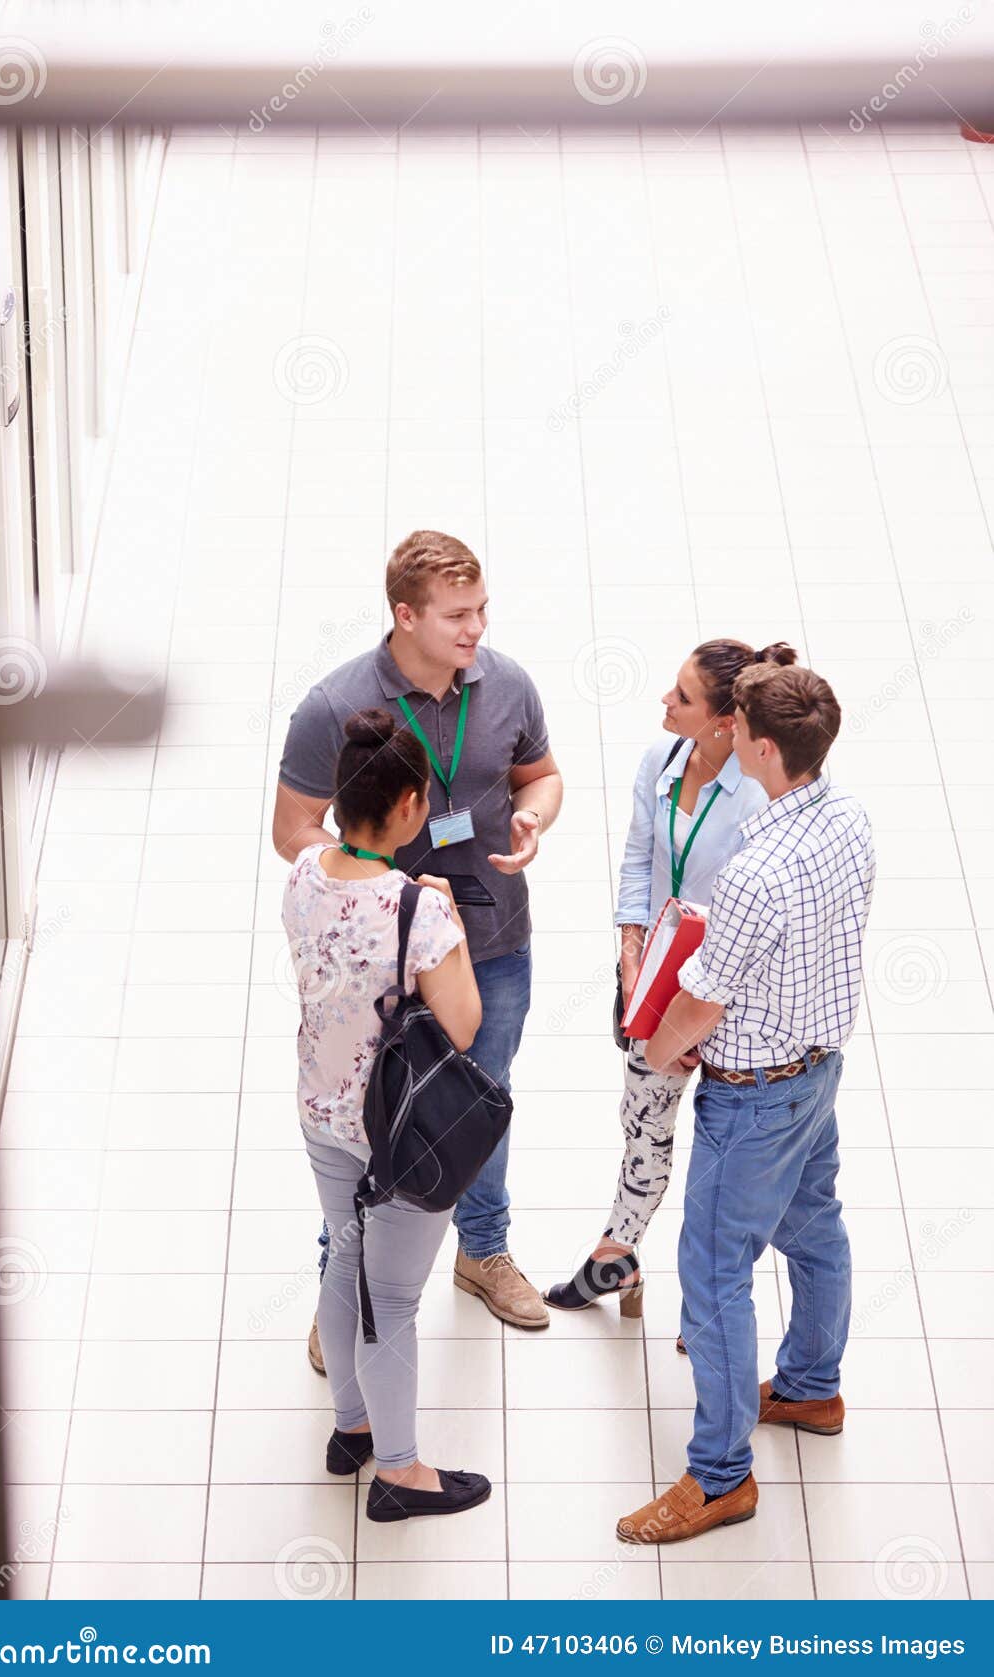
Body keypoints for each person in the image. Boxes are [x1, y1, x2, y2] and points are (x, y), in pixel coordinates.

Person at [273, 530, 563, 1354]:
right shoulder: (335, 707)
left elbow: (540, 774)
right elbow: (293, 828)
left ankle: (483, 1250)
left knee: (480, 1095)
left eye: (480, 611)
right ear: (404, 615)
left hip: (493, 938)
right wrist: (375, 884)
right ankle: (347, 1285)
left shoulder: (505, 685)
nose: (476, 630)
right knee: (374, 1113)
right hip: (381, 957)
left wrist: (533, 817)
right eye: (456, 615)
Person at [616, 661, 874, 1547]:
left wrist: (651, 1045)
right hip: (819, 1071)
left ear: (760, 747)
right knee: (814, 1228)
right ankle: (810, 1386)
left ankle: (720, 1476)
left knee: (713, 1278)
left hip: (751, 1095)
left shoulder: (755, 869)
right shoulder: (849, 817)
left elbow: (702, 999)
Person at [543, 640, 796, 1318]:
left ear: (724, 722)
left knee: (724, 1162)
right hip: (651, 980)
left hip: (723, 998)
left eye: (680, 696)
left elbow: (752, 928)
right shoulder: (658, 762)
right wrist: (631, 963)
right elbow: (635, 859)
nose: (663, 700)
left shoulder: (754, 800)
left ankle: (714, 1312)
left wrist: (693, 1018)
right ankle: (615, 1256)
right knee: (643, 1122)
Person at [283, 706, 494, 1520]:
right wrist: (449, 919)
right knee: (394, 1298)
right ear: (408, 805)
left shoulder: (302, 872)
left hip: (320, 1110)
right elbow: (464, 1023)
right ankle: (400, 1474)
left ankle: (352, 1428)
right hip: (397, 1136)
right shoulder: (418, 908)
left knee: (343, 1259)